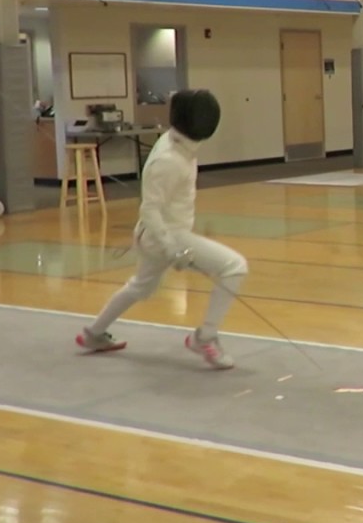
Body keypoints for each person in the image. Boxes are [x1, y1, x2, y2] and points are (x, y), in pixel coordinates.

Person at [75, 89, 246, 369]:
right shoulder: (169, 159)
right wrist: (172, 248)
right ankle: (205, 338)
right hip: (165, 236)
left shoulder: (178, 145)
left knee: (140, 288)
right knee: (235, 267)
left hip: (156, 235)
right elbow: (149, 210)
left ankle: (94, 333)